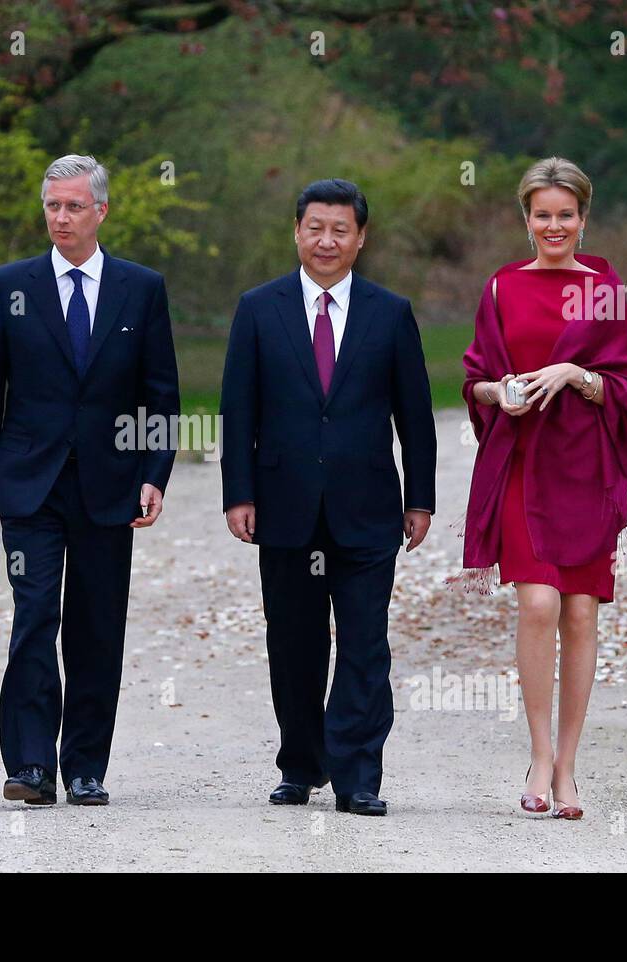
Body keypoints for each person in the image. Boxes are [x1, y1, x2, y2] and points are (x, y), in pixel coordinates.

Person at [0, 155, 180, 806]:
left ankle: (85, 765)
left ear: (101, 212)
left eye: (73, 207)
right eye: (52, 206)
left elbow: (160, 395)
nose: (61, 217)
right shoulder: (10, 286)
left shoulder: (140, 289)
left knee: (96, 624)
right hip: (29, 483)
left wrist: (154, 472)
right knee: (35, 618)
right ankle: (30, 765)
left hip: (110, 485)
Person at [219, 178, 437, 815]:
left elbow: (415, 416)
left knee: (366, 643)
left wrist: (418, 498)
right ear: (296, 231)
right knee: (294, 643)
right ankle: (301, 762)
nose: (326, 240)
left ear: (361, 238)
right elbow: (238, 410)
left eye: (340, 230)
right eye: (315, 227)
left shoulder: (389, 313)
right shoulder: (258, 309)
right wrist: (239, 492)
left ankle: (357, 774)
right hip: (284, 507)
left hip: (367, 508)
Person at [455, 157, 627, 819]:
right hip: (523, 462)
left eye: (566, 214)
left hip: (586, 471)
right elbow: (474, 379)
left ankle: (567, 768)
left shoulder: (606, 287)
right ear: (527, 217)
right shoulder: (503, 288)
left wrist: (573, 372)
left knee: (581, 612)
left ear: (583, 218)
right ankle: (538, 754)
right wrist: (498, 391)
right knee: (538, 603)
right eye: (543, 214)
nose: (555, 224)